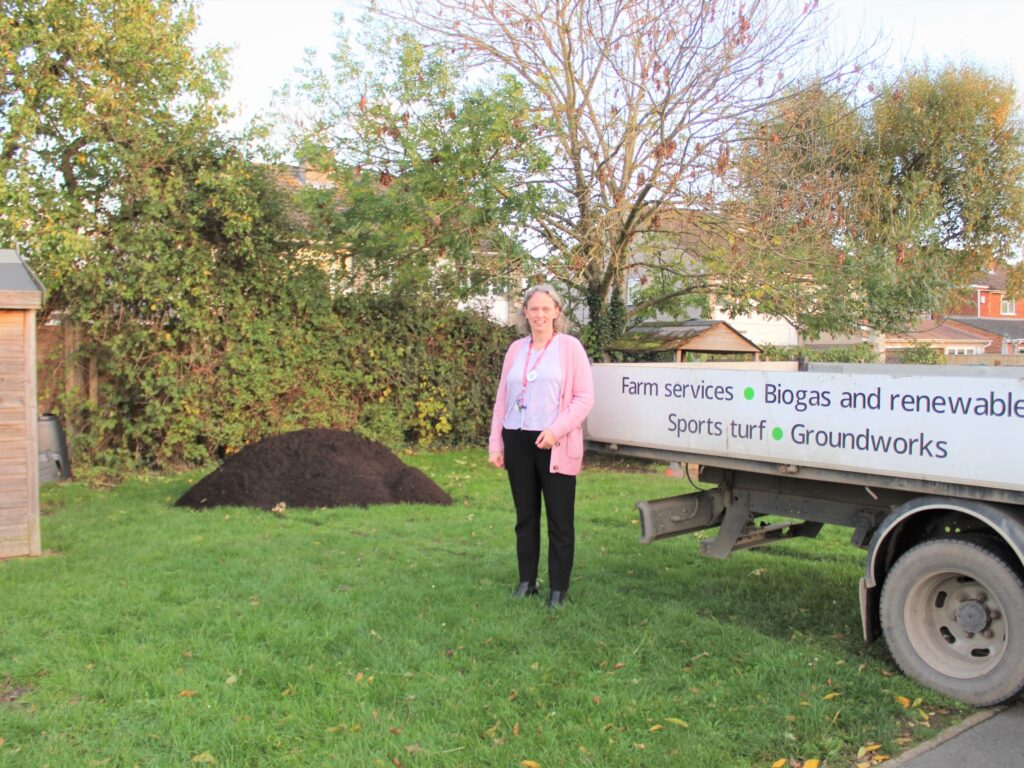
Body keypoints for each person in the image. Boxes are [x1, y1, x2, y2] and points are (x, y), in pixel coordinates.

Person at [488, 283, 595, 608]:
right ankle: (527, 581)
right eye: (534, 308)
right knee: (526, 517)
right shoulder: (516, 349)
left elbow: (584, 398)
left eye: (546, 309)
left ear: (557, 312)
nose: (539, 314)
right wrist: (496, 442)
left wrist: (555, 430)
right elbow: (502, 400)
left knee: (560, 521)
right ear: (525, 312)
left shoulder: (570, 348)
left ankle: (558, 590)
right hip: (517, 439)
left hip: (554, 443)